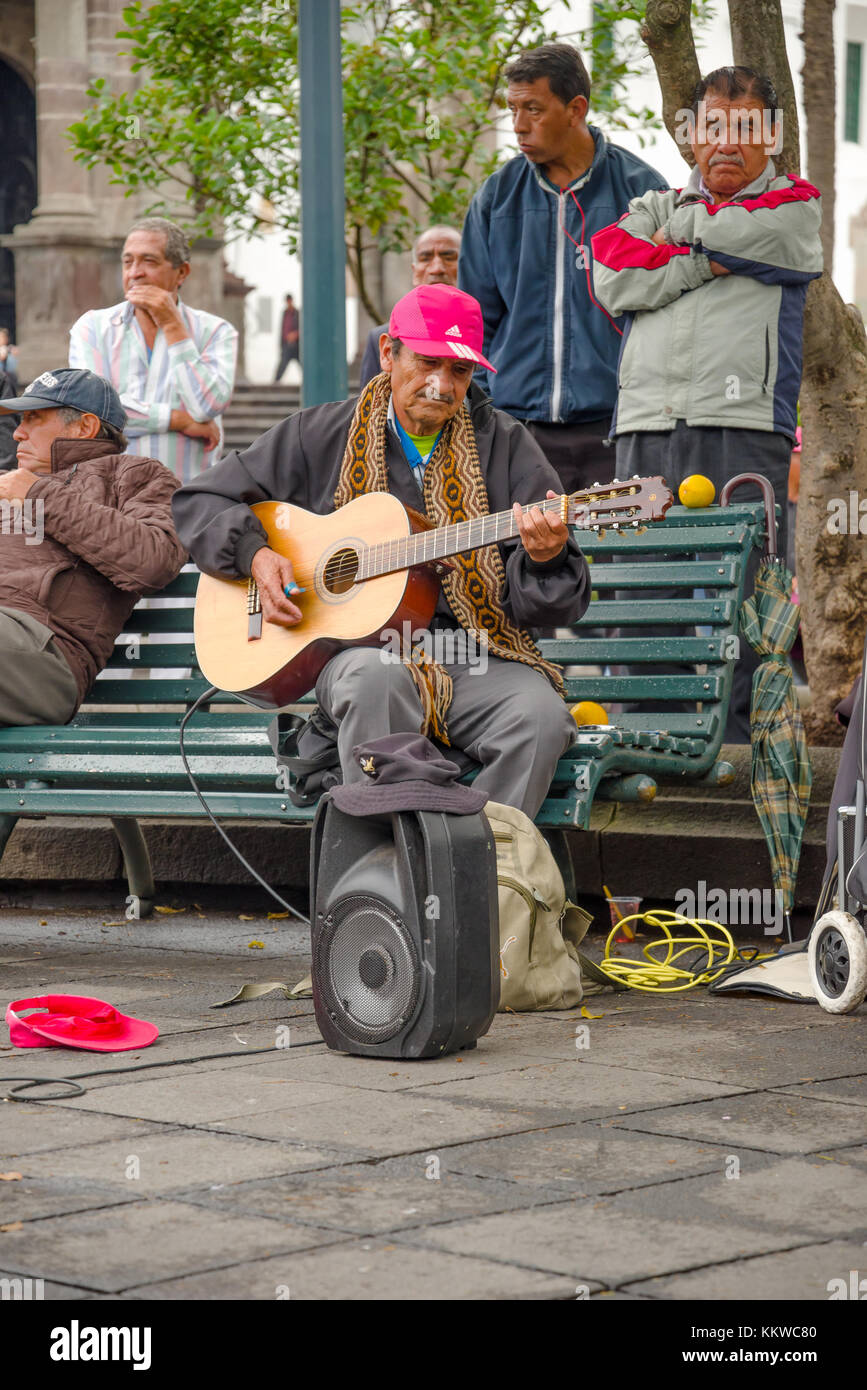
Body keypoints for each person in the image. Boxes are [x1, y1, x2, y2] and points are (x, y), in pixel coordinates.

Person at [173, 284, 590, 818]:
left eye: (459, 372)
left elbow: (555, 603)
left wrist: (546, 557)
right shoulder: (319, 432)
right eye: (427, 363)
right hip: (356, 655)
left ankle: (489, 869)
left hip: (473, 655)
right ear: (389, 353)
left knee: (539, 716)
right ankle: (381, 874)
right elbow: (200, 497)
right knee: (376, 677)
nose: (441, 385)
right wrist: (255, 553)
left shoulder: (506, 446)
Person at [591, 65, 823, 741]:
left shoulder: (795, 205)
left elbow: (778, 242)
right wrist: (704, 260)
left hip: (744, 421)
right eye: (712, 126)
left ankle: (743, 742)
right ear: (690, 134)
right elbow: (610, 275)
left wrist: (671, 241)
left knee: (748, 590)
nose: (726, 142)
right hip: (645, 420)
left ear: (772, 136)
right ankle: (646, 735)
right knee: (641, 589)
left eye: (745, 126)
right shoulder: (651, 201)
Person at [458, 43, 666, 495]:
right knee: (521, 564)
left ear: (576, 109)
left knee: (618, 565)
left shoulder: (641, 193)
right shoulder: (495, 198)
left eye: (533, 109)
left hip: (617, 429)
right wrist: (488, 411)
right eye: (512, 109)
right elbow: (473, 322)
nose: (518, 125)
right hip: (518, 432)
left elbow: (666, 316)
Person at [0, 368, 187, 725]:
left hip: (44, 652)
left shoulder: (136, 476)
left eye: (32, 419)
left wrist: (38, 494)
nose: (18, 433)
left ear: (83, 427)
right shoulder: (9, 483)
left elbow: (153, 560)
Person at [69, 217, 238, 484]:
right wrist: (179, 420)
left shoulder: (215, 331)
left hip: (187, 499)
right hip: (110, 498)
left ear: (181, 273)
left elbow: (208, 405)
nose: (135, 272)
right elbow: (95, 410)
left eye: (149, 261)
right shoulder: (92, 328)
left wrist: (173, 326)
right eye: (128, 262)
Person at [359, 226, 462, 390]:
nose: (436, 268)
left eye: (448, 257)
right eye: (425, 258)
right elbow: (369, 407)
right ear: (415, 272)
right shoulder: (383, 337)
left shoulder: (489, 334)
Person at [274, 294, 301, 383]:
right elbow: (283, 329)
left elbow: (302, 328)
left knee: (303, 364)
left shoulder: (297, 313)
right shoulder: (285, 313)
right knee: (283, 364)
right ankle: (276, 381)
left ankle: (311, 381)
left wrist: (295, 334)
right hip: (286, 344)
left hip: (297, 344)